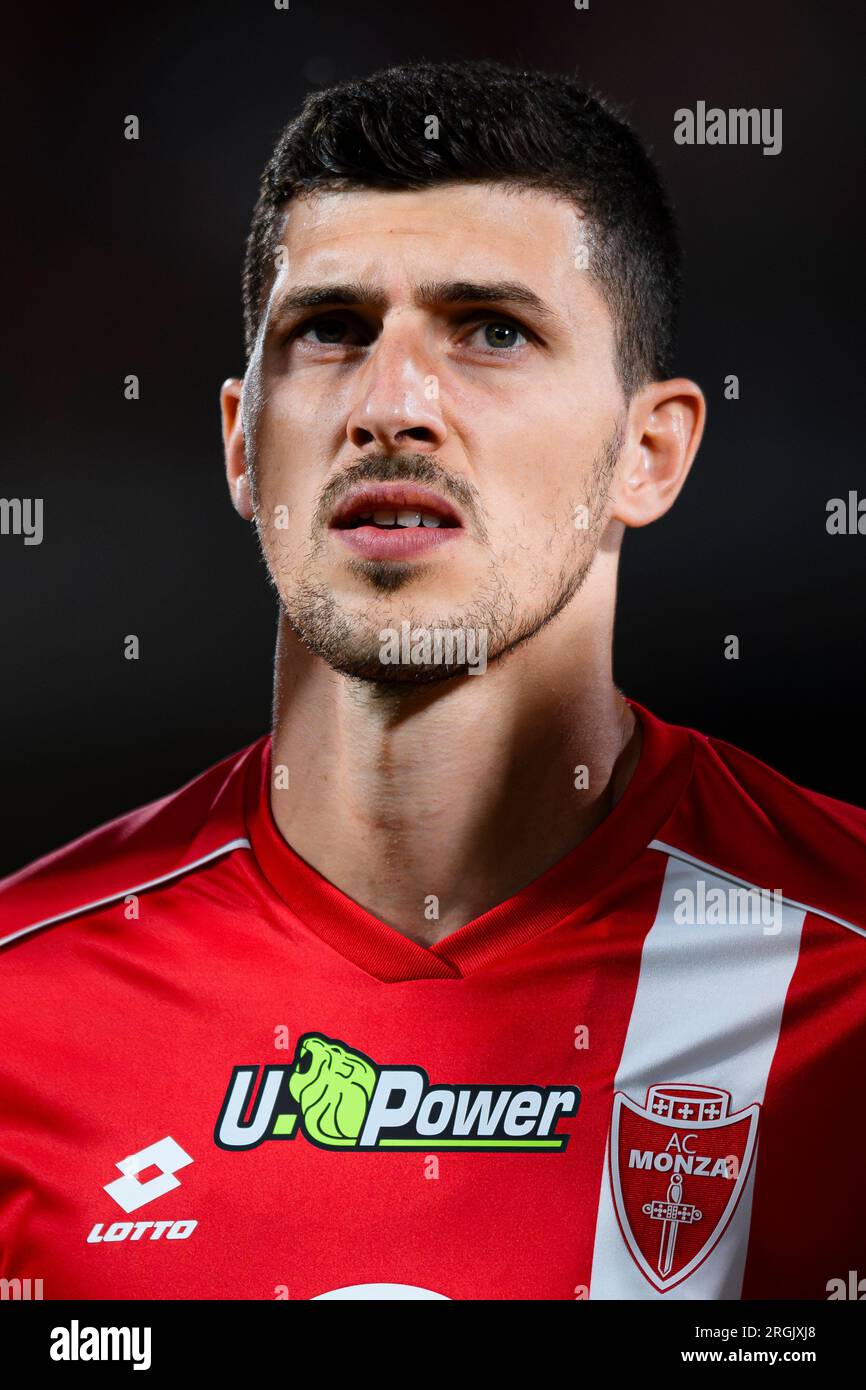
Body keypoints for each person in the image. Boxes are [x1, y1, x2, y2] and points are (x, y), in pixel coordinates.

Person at [1, 60, 863, 1302]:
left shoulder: (841, 981)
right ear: (243, 443)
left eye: (491, 331)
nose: (390, 406)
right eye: (332, 331)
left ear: (649, 452)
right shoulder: (25, 1003)